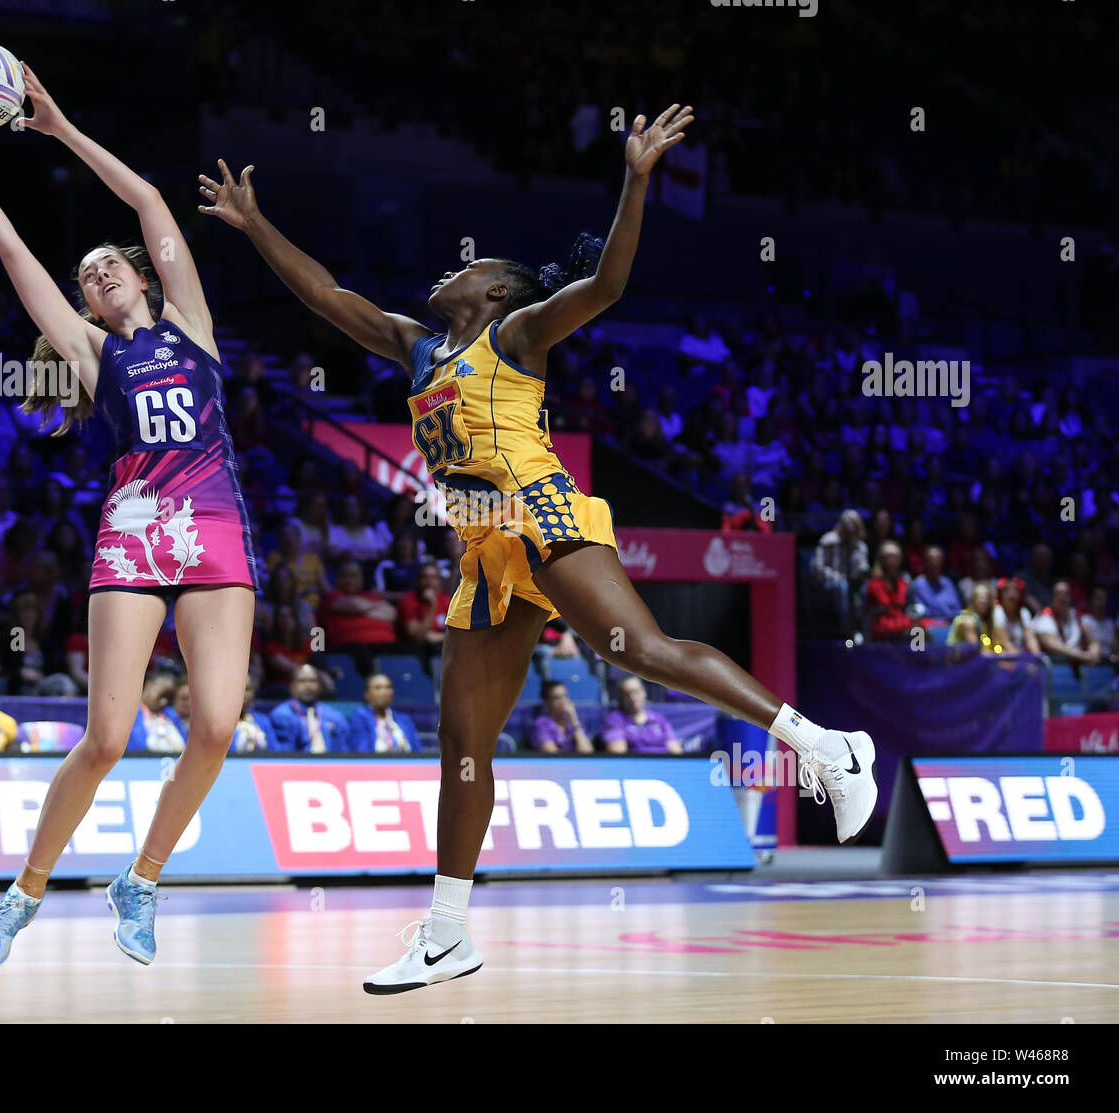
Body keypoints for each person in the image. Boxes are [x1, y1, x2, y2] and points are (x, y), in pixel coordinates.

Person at [199, 105, 877, 995]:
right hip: (487, 555)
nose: (451, 266)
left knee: (643, 651)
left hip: (541, 511)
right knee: (462, 738)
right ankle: (446, 932)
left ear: (497, 292)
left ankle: (827, 747)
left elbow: (605, 287)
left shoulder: (515, 336)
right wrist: (255, 227)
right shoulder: (418, 351)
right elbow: (328, 298)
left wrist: (636, 179)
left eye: (468, 266)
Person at [0, 68, 258, 970]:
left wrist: (63, 128)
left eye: (110, 261)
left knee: (219, 723)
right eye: (87, 274)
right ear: (86, 304)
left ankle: (141, 880)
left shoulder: (190, 323)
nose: (99, 270)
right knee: (109, 734)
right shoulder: (89, 349)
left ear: (142, 275)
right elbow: (12, 256)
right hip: (135, 529)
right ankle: (25, 892)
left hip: (216, 528)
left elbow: (151, 197)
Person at [269, 665, 349, 752]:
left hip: (331, 764)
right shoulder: (281, 715)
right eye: (302, 681)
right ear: (292, 686)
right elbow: (283, 755)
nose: (308, 686)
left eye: (312, 681)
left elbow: (344, 752)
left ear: (320, 686)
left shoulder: (335, 717)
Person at [600, 676, 682, 754]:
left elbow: (676, 751)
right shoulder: (614, 719)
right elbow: (618, 754)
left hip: (664, 765)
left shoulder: (659, 719)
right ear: (621, 698)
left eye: (636, 692)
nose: (633, 697)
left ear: (644, 693)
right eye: (627, 693)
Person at [1033, 580, 1102, 667]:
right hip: (1056, 667)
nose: (1062, 598)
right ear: (1053, 597)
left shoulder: (1078, 616)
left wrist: (1094, 652)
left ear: (1071, 597)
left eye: (1066, 594)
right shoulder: (1045, 617)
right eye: (1059, 594)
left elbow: (1093, 640)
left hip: (1079, 668)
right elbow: (1051, 644)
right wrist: (1082, 656)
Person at [347, 673, 420, 753]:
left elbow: (417, 752)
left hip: (408, 764)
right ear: (367, 694)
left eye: (388, 687)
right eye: (378, 688)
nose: (384, 692)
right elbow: (361, 753)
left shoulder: (404, 719)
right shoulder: (360, 719)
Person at [529, 680, 592, 754]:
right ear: (546, 701)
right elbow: (551, 754)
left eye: (565, 696)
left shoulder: (574, 723)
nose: (563, 701)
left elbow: (586, 752)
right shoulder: (541, 724)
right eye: (557, 698)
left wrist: (574, 721)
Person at [907, 546, 964, 626]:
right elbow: (915, 613)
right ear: (925, 562)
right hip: (926, 628)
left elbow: (957, 611)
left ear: (942, 561)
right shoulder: (917, 585)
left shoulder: (948, 583)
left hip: (950, 627)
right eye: (930, 559)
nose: (934, 562)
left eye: (937, 559)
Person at [991, 578, 1041, 657]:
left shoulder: (1023, 612)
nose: (1011, 595)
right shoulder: (997, 611)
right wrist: (1021, 660)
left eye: (1015, 591)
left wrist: (1037, 656)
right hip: (1000, 654)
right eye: (1007, 591)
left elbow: (1030, 638)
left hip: (1020, 654)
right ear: (1001, 595)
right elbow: (1005, 641)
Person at [231, 671, 276, 753]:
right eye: (238, 689)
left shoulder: (263, 721)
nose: (243, 694)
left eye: (247, 689)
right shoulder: (220, 723)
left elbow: (275, 753)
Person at [1080, 586, 1117, 666]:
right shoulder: (1085, 620)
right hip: (1091, 664)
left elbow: (1115, 648)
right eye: (1098, 598)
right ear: (1091, 601)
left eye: (1103, 598)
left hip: (1110, 664)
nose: (1101, 602)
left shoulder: (1110, 623)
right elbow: (1091, 643)